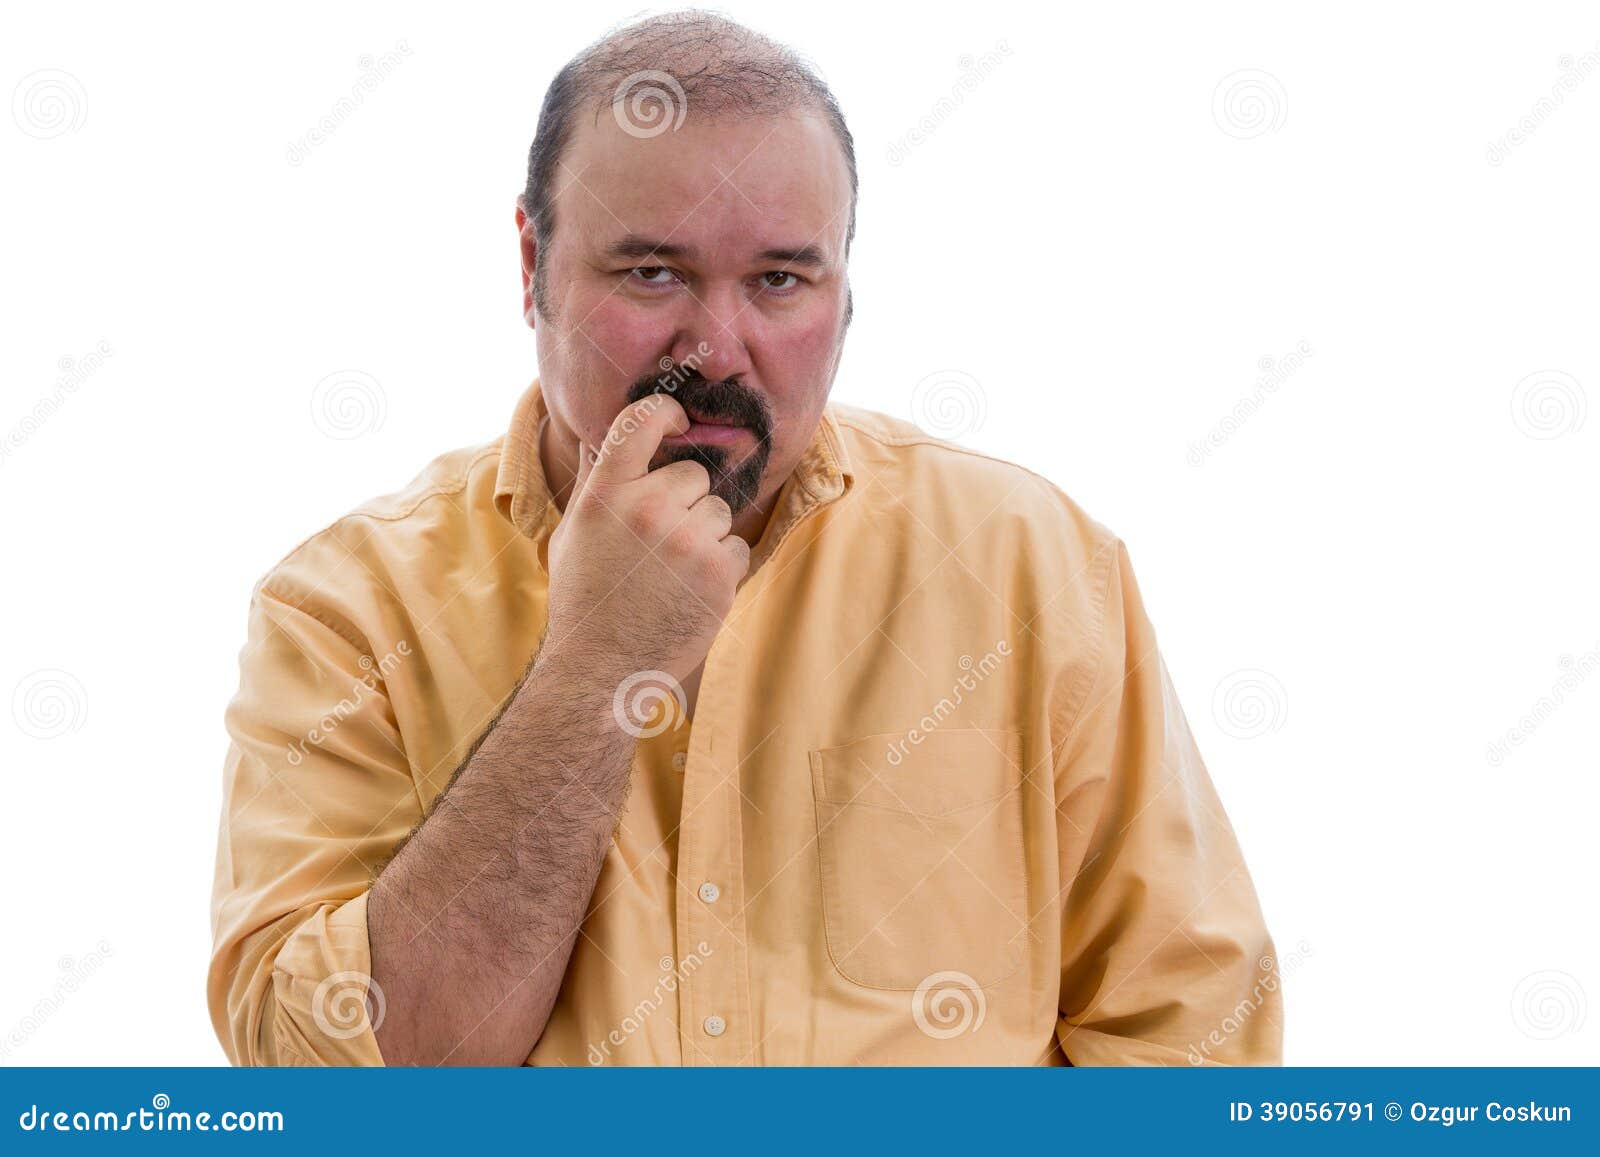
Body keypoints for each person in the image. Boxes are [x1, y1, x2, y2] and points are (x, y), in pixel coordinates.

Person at [208, 10, 1281, 1067]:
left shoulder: (1029, 563)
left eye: (778, 278)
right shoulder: (348, 606)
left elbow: (1190, 1035)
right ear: (532, 265)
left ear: (844, 286)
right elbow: (327, 1080)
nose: (718, 347)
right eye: (651, 273)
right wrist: (594, 666)